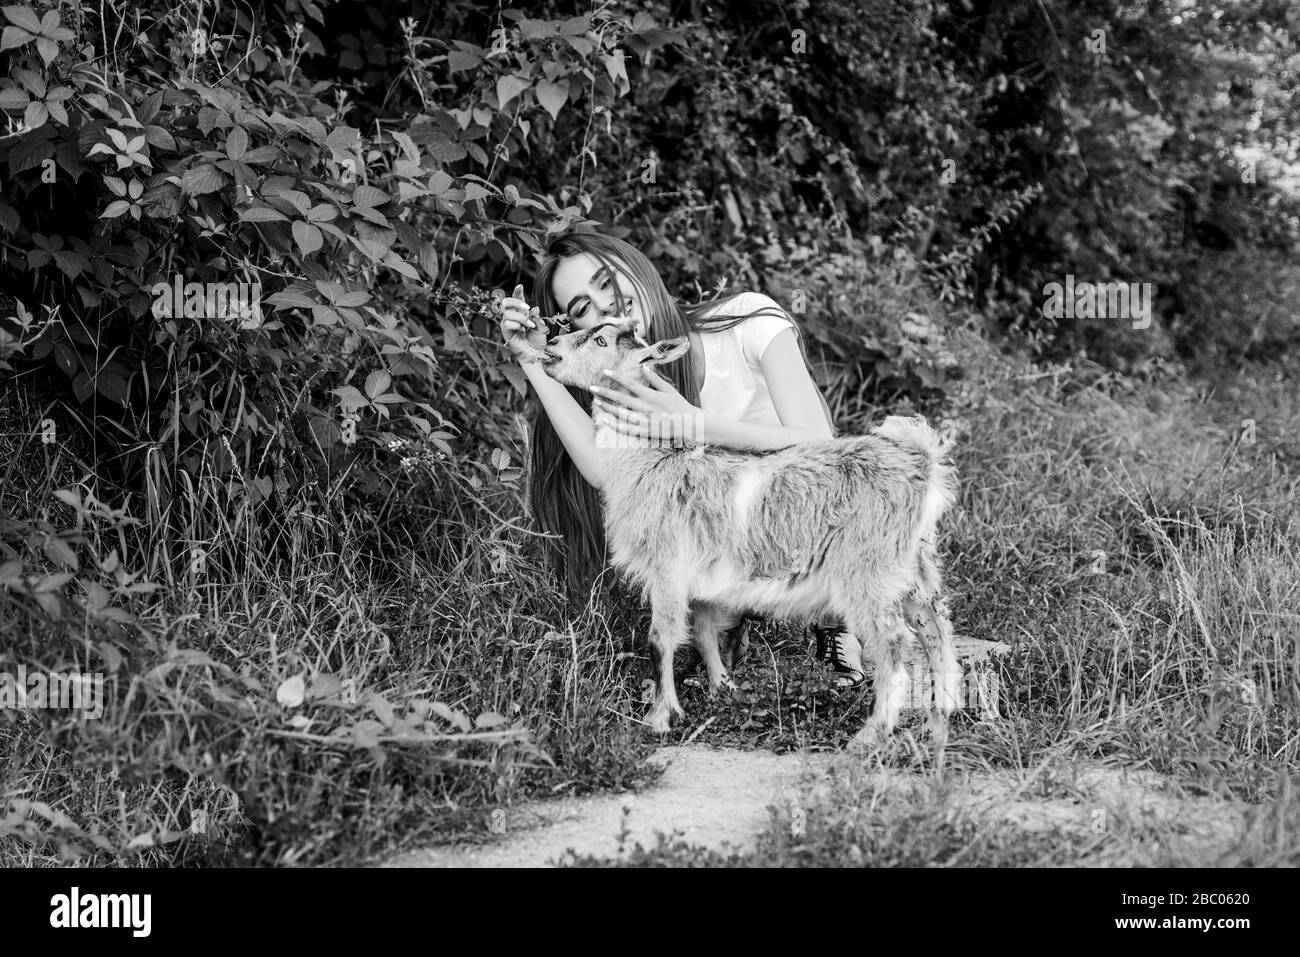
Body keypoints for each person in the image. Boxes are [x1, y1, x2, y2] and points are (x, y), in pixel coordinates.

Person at [496, 230, 865, 688]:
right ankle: (726, 620)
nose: (605, 305)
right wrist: (533, 359)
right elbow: (602, 472)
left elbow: (818, 442)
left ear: (634, 265)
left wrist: (690, 422)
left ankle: (834, 619)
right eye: (582, 308)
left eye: (606, 281)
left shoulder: (748, 321)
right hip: (727, 541)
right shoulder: (624, 382)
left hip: (799, 523)